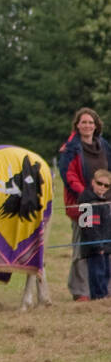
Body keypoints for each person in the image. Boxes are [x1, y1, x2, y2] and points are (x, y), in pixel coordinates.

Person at [58, 108, 111, 301]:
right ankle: (81, 290)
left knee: (106, 246)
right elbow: (67, 174)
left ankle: (104, 289)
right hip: (82, 204)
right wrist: (85, 194)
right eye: (83, 122)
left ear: (96, 125)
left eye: (91, 122)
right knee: (83, 247)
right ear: (77, 125)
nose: (87, 125)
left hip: (105, 203)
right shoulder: (71, 148)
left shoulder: (103, 145)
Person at [77, 169, 111, 301]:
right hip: (95, 247)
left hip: (105, 245)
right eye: (99, 183)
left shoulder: (103, 201)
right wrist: (98, 245)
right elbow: (89, 227)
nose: (102, 187)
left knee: (106, 273)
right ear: (93, 182)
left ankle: (103, 296)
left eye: (106, 185)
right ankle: (98, 298)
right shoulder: (89, 201)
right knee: (97, 274)